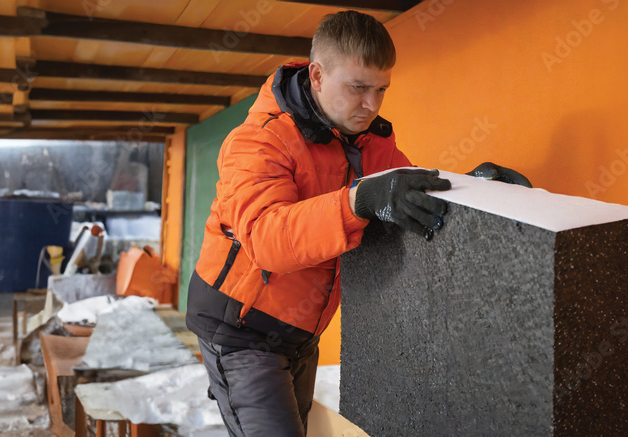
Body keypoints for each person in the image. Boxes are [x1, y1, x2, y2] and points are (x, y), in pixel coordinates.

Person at [185, 10, 530, 436]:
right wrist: (359, 200)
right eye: (358, 87)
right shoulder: (259, 140)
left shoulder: (370, 142)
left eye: (381, 89)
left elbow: (410, 192)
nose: (372, 104)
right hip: (240, 330)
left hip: (301, 332)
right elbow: (267, 240)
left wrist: (474, 189)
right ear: (317, 75)